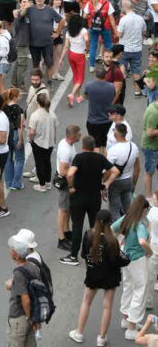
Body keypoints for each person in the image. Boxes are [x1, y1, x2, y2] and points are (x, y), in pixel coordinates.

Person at [61, 134, 121, 266]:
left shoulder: (79, 158)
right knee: (95, 226)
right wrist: (106, 184)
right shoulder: (100, 158)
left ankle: (73, 256)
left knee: (77, 226)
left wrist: (71, 187)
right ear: (94, 146)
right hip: (94, 197)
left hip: (78, 198)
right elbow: (115, 171)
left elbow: (70, 174)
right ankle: (95, 255)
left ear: (83, 146)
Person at [68, 209, 124, 346]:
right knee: (107, 306)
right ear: (109, 222)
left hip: (93, 273)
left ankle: (79, 332)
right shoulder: (112, 240)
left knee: (86, 302)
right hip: (110, 276)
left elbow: (83, 255)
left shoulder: (88, 235)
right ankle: (101, 337)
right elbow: (118, 260)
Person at [111, 195, 152, 339]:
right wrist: (150, 252)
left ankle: (126, 319)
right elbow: (142, 241)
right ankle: (132, 327)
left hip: (126, 258)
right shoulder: (140, 224)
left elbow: (111, 229)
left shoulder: (126, 218)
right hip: (138, 259)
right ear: (144, 209)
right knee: (140, 290)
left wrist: (116, 246)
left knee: (128, 287)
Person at [5, 234, 40, 347]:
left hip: (20, 317)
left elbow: (26, 300)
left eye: (12, 249)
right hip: (32, 314)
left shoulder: (19, 273)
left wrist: (28, 318)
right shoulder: (33, 266)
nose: (10, 250)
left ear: (17, 255)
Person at [56, 125, 81, 250]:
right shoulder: (66, 150)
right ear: (73, 136)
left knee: (67, 209)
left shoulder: (68, 144)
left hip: (69, 181)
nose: (80, 135)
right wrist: (71, 185)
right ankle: (61, 238)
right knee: (63, 210)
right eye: (79, 133)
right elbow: (62, 171)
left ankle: (66, 231)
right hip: (66, 182)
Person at [28, 91, 58, 192]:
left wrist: (30, 139)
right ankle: (48, 182)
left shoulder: (35, 115)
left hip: (38, 142)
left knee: (39, 163)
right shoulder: (52, 114)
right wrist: (54, 140)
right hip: (50, 142)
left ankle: (42, 185)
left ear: (37, 103)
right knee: (47, 162)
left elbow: (32, 132)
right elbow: (55, 128)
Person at [84, 63, 117, 150]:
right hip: (107, 120)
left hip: (93, 121)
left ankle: (97, 162)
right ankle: (105, 161)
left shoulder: (89, 86)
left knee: (96, 145)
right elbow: (114, 96)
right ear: (105, 75)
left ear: (96, 75)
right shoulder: (111, 86)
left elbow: (85, 96)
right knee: (105, 145)